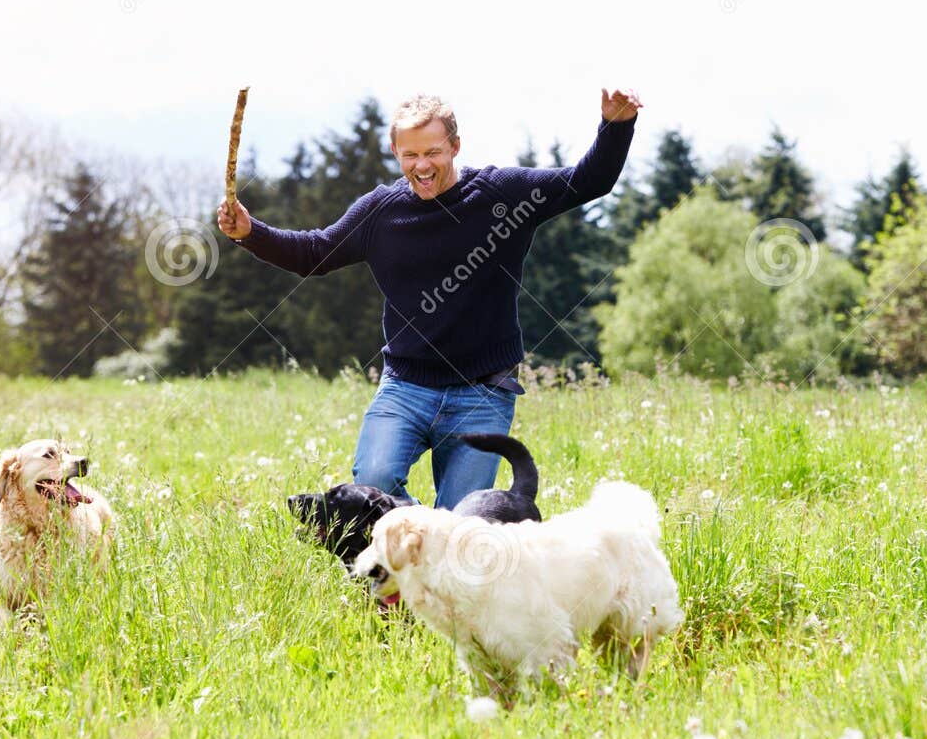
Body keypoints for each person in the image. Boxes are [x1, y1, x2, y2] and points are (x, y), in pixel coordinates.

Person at [216, 88, 642, 506]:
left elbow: (587, 182)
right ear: (395, 151)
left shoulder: (502, 194)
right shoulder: (379, 212)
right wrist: (251, 232)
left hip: (483, 393)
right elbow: (313, 254)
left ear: (455, 146)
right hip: (405, 386)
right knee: (374, 485)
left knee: (460, 525)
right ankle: (418, 536)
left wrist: (616, 126)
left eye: (433, 152)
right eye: (410, 155)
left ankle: (435, 543)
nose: (422, 166)